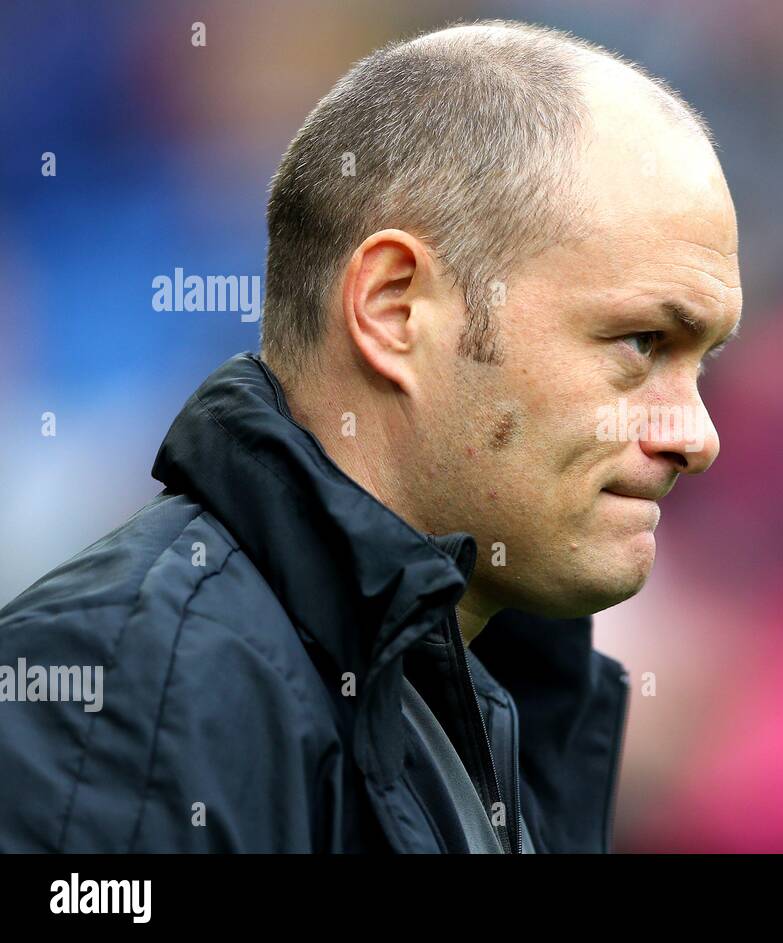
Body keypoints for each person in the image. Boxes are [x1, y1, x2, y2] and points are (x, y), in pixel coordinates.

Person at [0, 19, 742, 853]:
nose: (698, 436)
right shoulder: (130, 698)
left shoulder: (493, 698)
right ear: (394, 310)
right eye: (643, 342)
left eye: (703, 360)